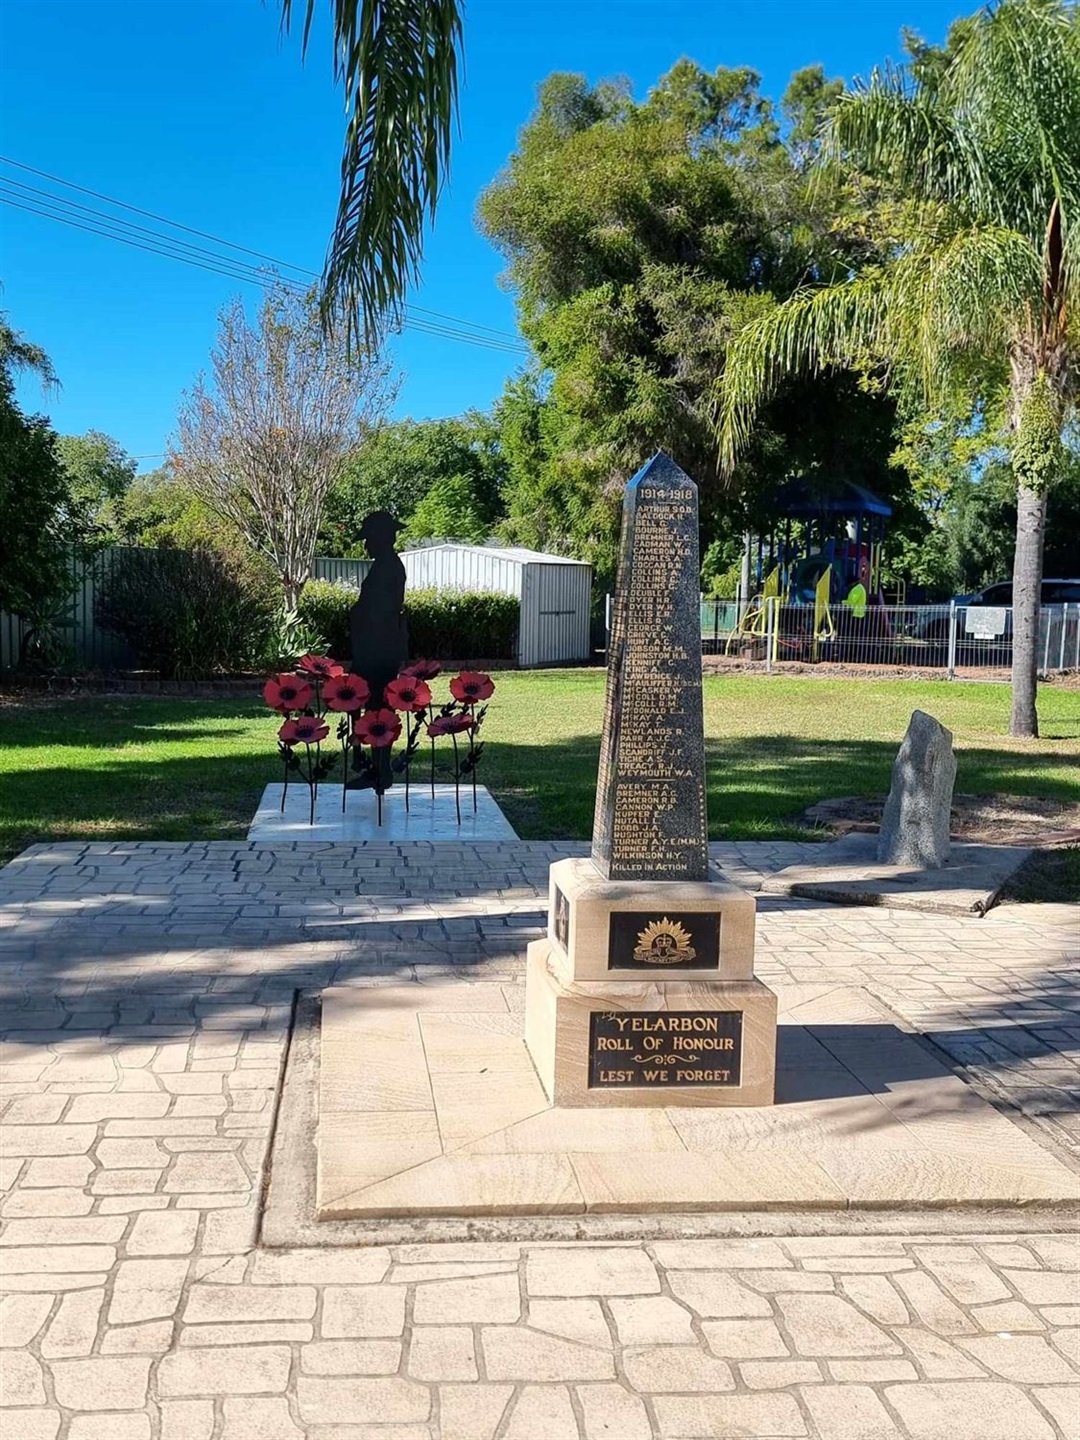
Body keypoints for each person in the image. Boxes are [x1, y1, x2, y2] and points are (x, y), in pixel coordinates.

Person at [348, 510, 408, 789]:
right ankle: (376, 767)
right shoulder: (386, 565)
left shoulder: (388, 567)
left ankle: (380, 770)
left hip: (378, 652)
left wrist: (358, 615)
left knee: (378, 712)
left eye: (369, 538)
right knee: (373, 710)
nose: (366, 545)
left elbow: (380, 611)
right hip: (375, 649)